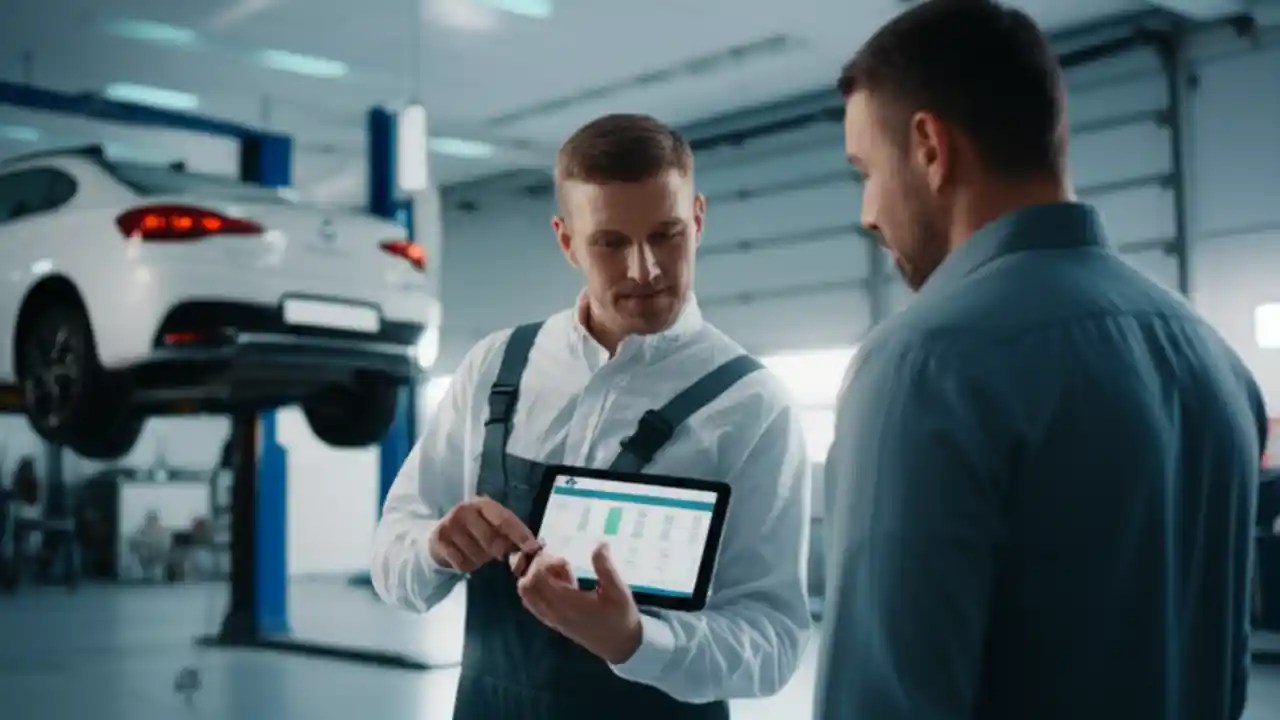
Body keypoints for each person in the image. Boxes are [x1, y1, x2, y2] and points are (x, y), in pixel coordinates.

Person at [817, 2, 1270, 719]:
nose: (867, 212)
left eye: (864, 171)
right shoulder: (1213, 360)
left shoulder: (925, 367)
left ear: (930, 146)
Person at [372, 113, 812, 720]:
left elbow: (773, 641)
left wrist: (635, 642)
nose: (644, 269)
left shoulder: (752, 406)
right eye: (611, 242)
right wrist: (435, 548)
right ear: (567, 242)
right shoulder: (495, 367)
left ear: (698, 220)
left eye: (666, 234)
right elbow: (391, 554)